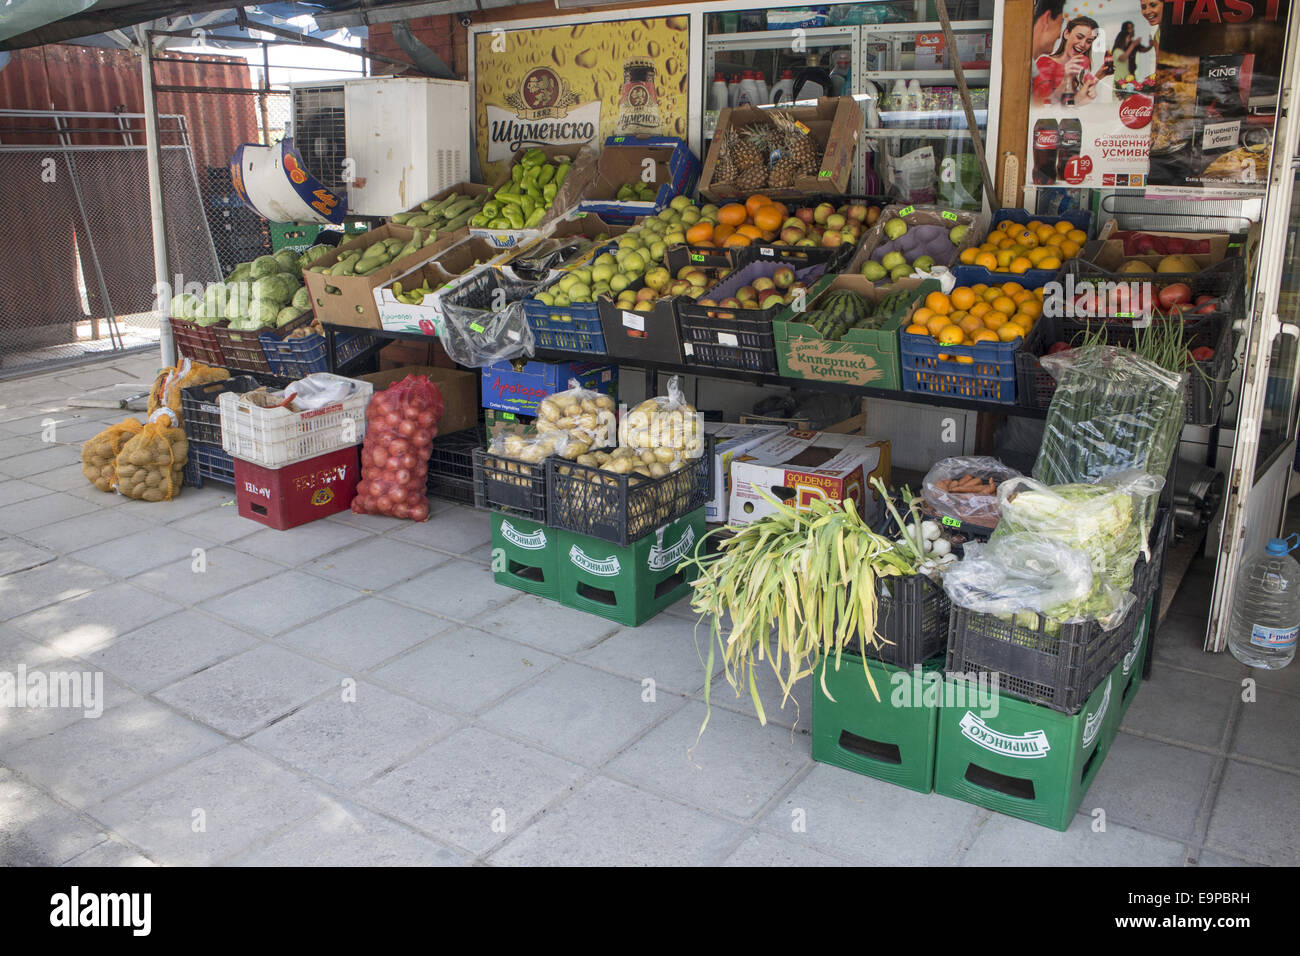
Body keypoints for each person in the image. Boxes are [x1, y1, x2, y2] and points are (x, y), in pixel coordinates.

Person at [1032, 17, 1105, 106]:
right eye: (1079, 37)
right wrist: (1066, 79)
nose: (1083, 44)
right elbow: (1040, 105)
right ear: (1066, 34)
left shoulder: (1080, 69)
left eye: (1089, 41)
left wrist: (1099, 76)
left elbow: (1068, 107)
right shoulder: (1045, 63)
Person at [1111, 21, 1150, 85]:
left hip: (1129, 77)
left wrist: (1151, 45)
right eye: (1129, 28)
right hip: (1120, 81)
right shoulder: (1117, 50)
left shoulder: (1129, 45)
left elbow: (1143, 49)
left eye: (1132, 28)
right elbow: (1123, 58)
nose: (1132, 30)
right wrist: (1133, 44)